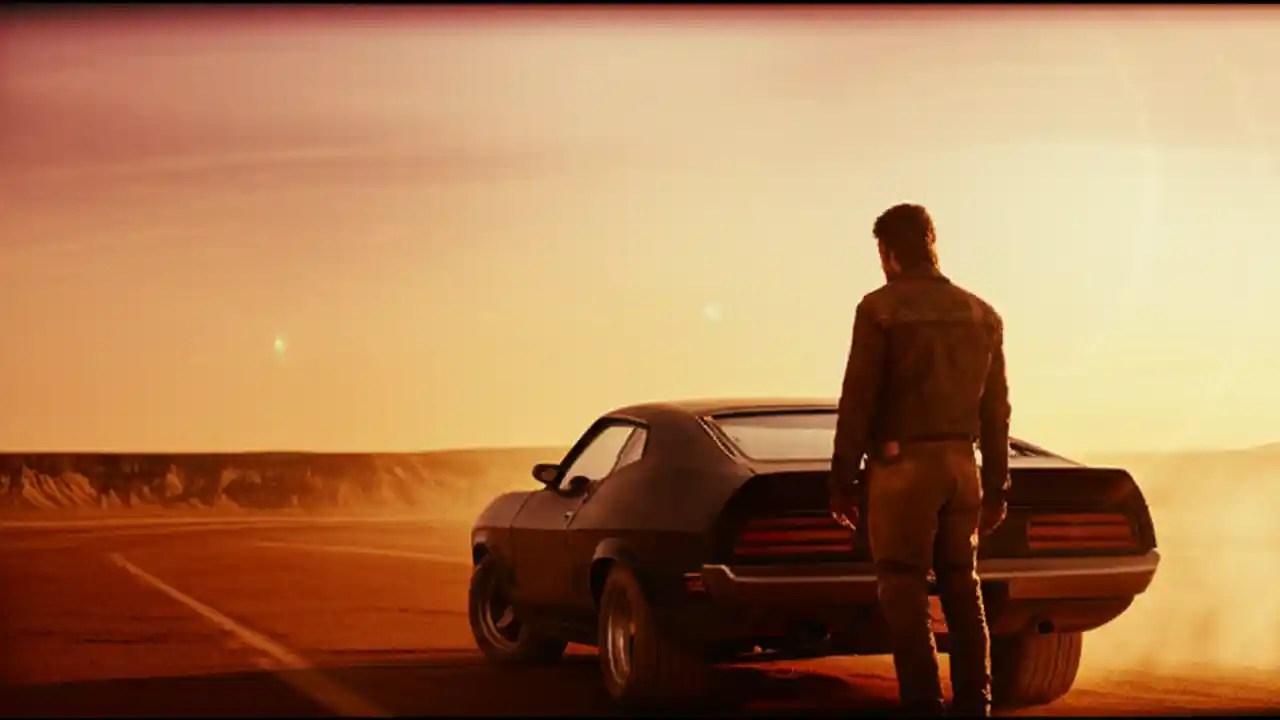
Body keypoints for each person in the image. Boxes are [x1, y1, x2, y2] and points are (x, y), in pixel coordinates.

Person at [827, 203, 1012, 717]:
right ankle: (977, 701)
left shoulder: (880, 310)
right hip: (962, 467)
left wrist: (842, 480)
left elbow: (858, 398)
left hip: (902, 469)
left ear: (887, 253)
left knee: (903, 585)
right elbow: (997, 411)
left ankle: (923, 703)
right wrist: (997, 487)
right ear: (932, 243)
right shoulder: (982, 313)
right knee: (961, 581)